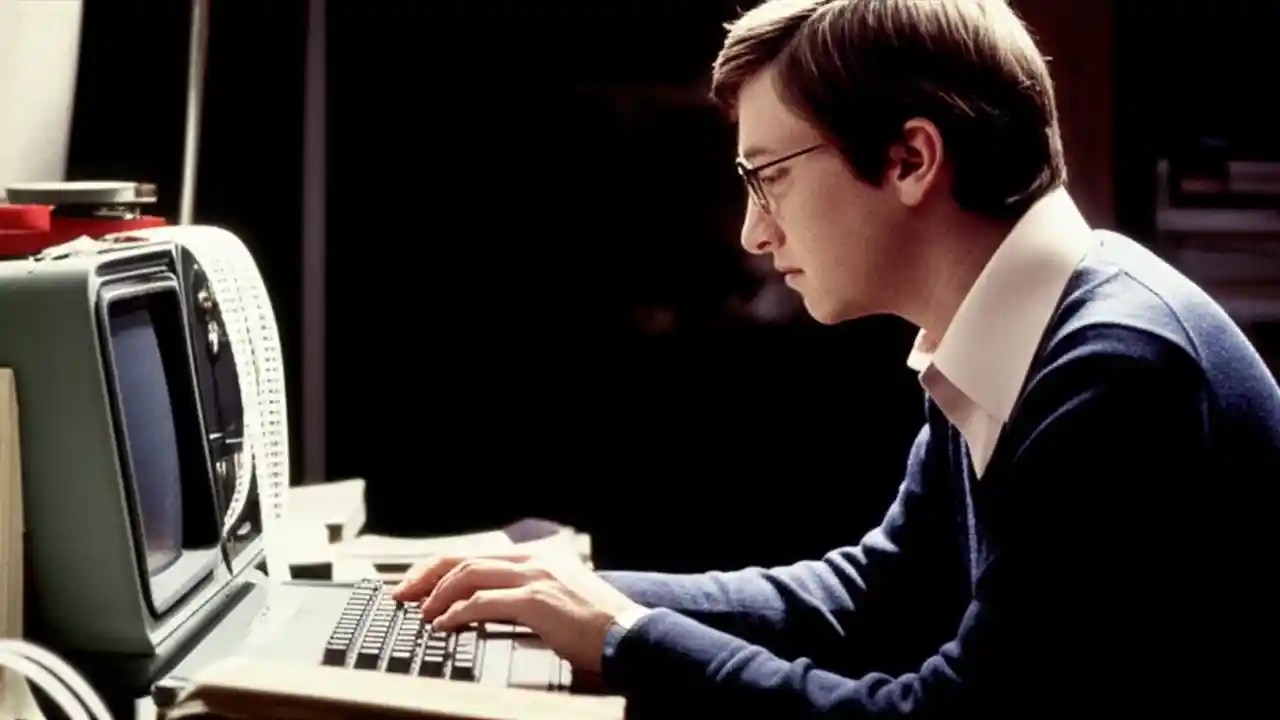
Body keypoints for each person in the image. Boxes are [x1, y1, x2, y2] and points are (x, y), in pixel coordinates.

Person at [393, 0, 1280, 714]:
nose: (752, 230)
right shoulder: (1025, 317)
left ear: (909, 157)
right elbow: (875, 595)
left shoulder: (1117, 369)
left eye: (767, 176)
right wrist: (565, 594)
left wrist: (626, 636)